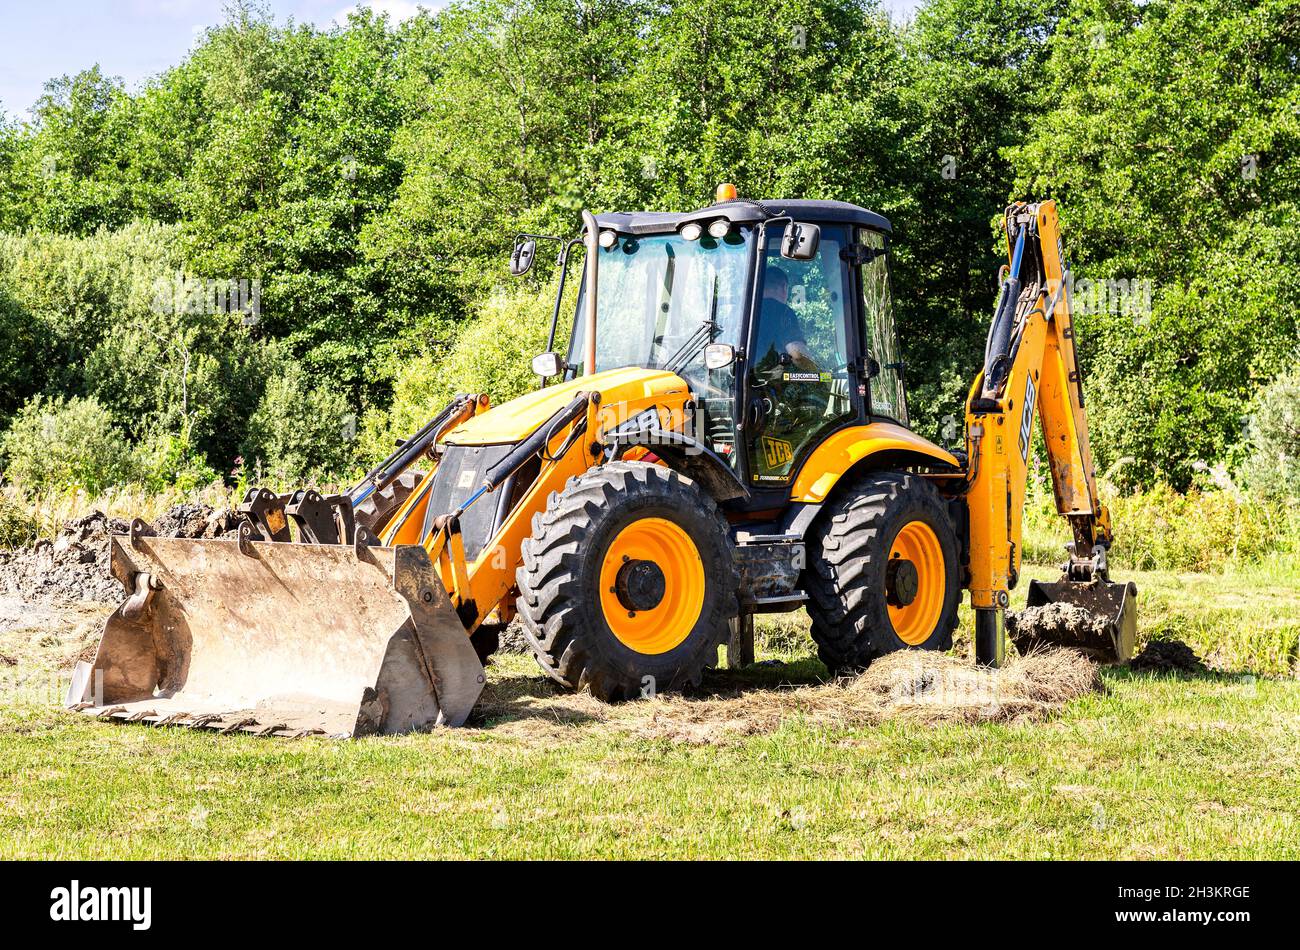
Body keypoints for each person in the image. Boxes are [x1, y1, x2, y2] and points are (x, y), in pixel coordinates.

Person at [753, 265, 818, 377]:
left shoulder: (748, 312)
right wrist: (819, 372)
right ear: (784, 287)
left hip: (748, 382)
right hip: (771, 386)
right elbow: (798, 355)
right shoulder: (783, 312)